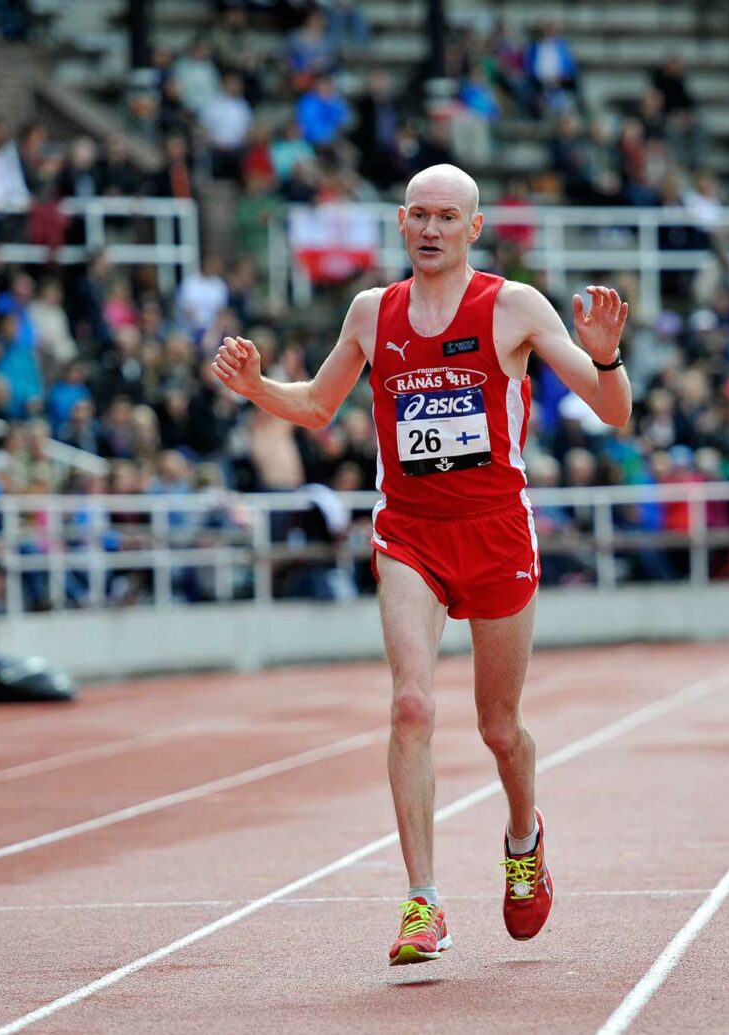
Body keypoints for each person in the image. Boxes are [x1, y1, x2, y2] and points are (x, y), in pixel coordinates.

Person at [210, 164, 632, 966]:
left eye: (447, 217)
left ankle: (522, 840)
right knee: (410, 706)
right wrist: (259, 385)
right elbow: (317, 406)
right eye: (418, 216)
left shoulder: (513, 306)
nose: (431, 229)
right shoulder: (373, 313)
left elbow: (613, 413)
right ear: (401, 225)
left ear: (474, 229)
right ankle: (423, 902)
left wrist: (606, 359)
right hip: (409, 531)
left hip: (496, 529)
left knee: (499, 727)